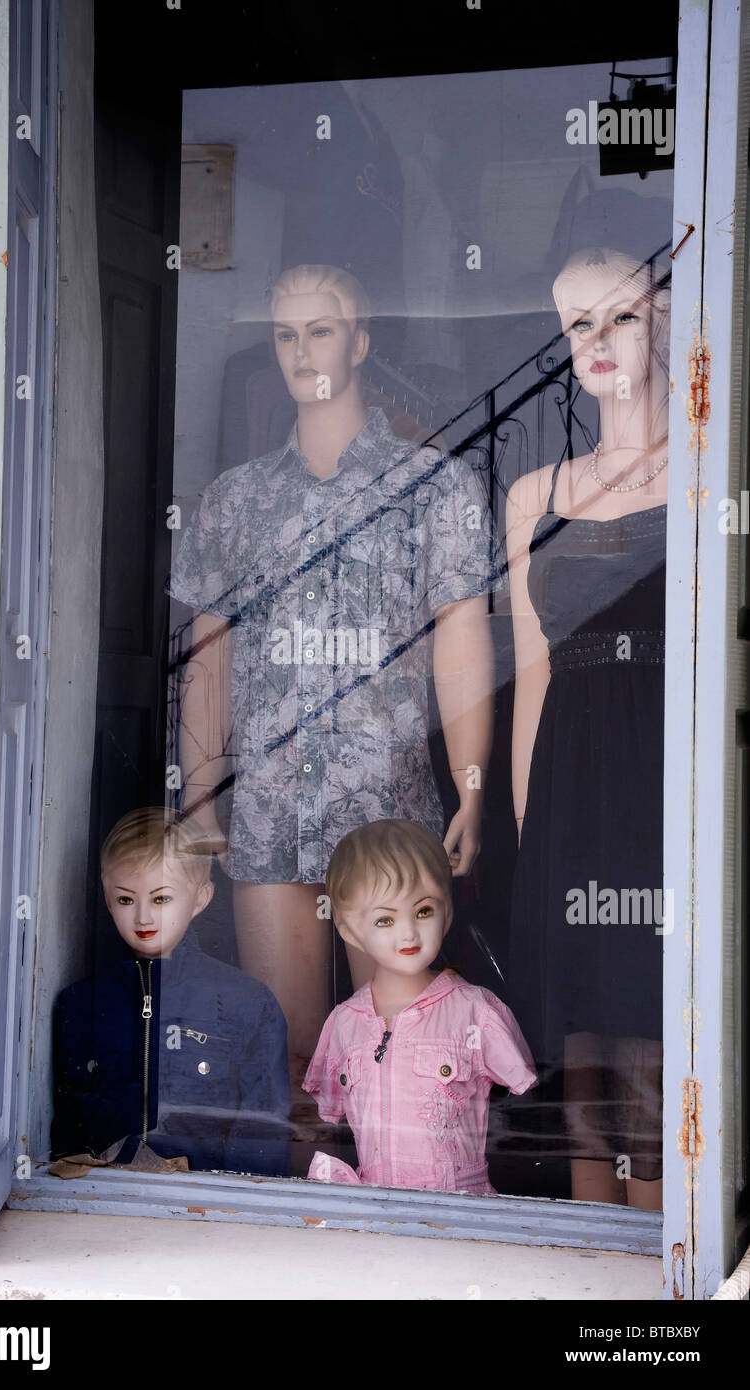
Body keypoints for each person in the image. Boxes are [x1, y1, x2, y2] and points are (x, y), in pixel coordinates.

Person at [169, 264, 495, 1099]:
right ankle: (308, 1218)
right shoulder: (236, 502)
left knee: (402, 1053)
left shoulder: (432, 485)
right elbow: (208, 659)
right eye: (283, 333)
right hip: (271, 807)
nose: (299, 351)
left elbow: (462, 639)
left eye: (319, 330)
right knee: (292, 1057)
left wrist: (470, 789)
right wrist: (202, 797)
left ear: (359, 339)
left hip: (386, 804)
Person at [505, 246, 670, 1209]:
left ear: (658, 320)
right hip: (566, 791)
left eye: (618, 318)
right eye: (577, 325)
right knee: (576, 1044)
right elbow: (530, 676)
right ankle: (582, 1253)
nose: (598, 342)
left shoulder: (707, 476)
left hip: (660, 781)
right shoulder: (535, 496)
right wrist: (528, 831)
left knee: (648, 1032)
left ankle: (658, 1276)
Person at [51, 807, 291, 1177]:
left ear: (200, 898)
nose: (143, 917)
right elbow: (68, 1128)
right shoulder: (80, 1005)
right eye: (126, 899)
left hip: (210, 1210)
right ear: (105, 892)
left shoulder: (246, 1003)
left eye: (161, 899)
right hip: (105, 1206)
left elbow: (264, 1131)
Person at [303, 819, 536, 1193]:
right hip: (377, 1224)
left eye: (423, 911)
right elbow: (330, 1110)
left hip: (460, 1220)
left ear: (447, 912)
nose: (408, 932)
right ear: (349, 931)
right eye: (385, 920)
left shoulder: (476, 1012)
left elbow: (527, 1102)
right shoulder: (344, 1024)